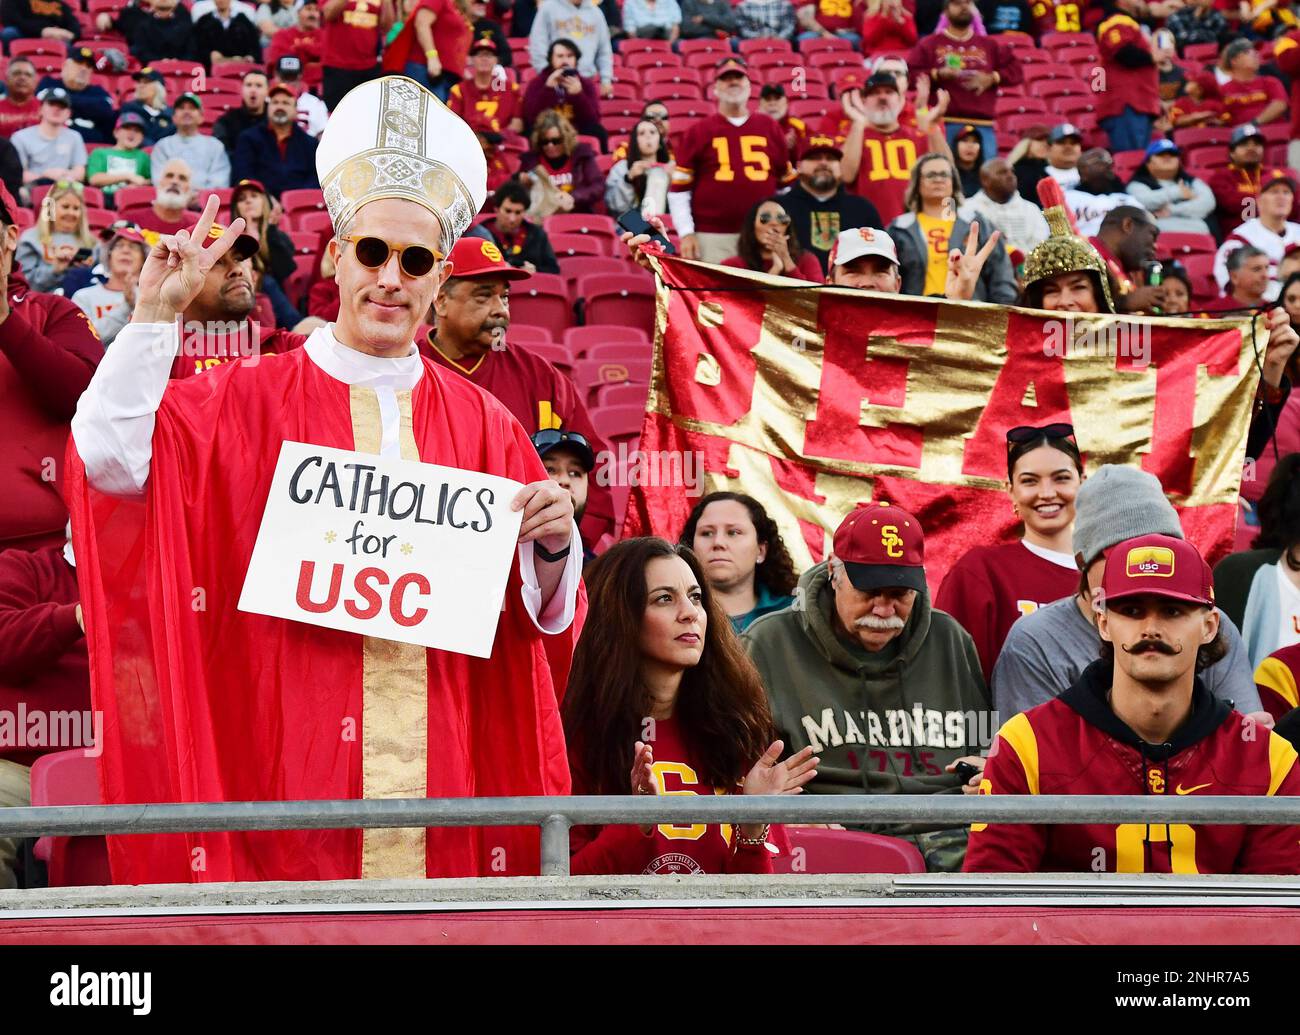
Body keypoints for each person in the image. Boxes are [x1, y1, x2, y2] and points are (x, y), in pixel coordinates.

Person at [69, 75, 583, 885]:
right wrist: (155, 316)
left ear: (438, 278)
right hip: (279, 745)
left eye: (415, 261)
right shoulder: (236, 401)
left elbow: (537, 620)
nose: (390, 277)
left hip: (440, 758)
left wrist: (553, 549)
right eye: (373, 251)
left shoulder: (490, 427)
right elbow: (107, 457)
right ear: (338, 255)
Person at [968, 533, 1300, 875]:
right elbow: (993, 908)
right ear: (1104, 623)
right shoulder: (1027, 745)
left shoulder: (1270, 760)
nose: (1151, 628)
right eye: (1131, 610)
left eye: (1172, 610)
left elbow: (1278, 916)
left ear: (1210, 626)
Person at [742, 502, 990, 872]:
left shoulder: (949, 638)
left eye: (900, 593)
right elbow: (739, 771)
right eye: (869, 590)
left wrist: (988, 771)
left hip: (953, 834)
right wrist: (785, 815)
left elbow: (988, 750)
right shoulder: (769, 643)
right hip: (836, 837)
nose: (884, 609)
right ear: (833, 572)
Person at [564, 537, 814, 875]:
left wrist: (752, 826)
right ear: (620, 616)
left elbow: (750, 907)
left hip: (719, 928)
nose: (690, 613)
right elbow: (561, 893)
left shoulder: (735, 728)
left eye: (696, 597)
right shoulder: (577, 737)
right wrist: (635, 823)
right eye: (664, 599)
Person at [992, 465, 1266, 721]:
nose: (1142, 574)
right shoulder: (1035, 641)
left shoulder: (1208, 625)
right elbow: (1035, 760)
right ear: (1081, 561)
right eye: (1121, 558)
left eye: (1157, 557)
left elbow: (1245, 738)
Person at [937, 424, 1083, 684]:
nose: (1047, 493)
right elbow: (951, 682)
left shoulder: (1109, 573)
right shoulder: (980, 571)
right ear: (1011, 490)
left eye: (1061, 478)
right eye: (1029, 481)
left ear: (1082, 483)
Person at [668, 57, 789, 264]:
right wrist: (686, 233)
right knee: (717, 295)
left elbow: (786, 186)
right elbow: (679, 191)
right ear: (715, 88)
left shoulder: (769, 127)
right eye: (726, 78)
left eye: (739, 78)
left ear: (749, 86)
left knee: (765, 295)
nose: (733, 82)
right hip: (714, 236)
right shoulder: (698, 131)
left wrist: (782, 226)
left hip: (764, 234)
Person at [889, 152, 1016, 302]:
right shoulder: (899, 228)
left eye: (944, 174)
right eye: (930, 175)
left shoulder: (976, 223)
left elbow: (1001, 273)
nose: (938, 179)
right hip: (917, 315)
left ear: (953, 182)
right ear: (917, 183)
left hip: (969, 314)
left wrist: (1001, 313)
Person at [835, 71, 950, 228]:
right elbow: (846, 175)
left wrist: (932, 126)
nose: (882, 97)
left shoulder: (917, 135)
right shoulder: (854, 135)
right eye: (875, 93)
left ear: (901, 100)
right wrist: (858, 123)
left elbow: (948, 171)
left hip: (914, 229)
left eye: (889, 92)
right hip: (868, 229)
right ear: (864, 101)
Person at [908, 0, 1020, 159]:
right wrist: (937, 74)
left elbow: (1016, 70)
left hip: (983, 125)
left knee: (985, 179)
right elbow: (909, 75)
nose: (963, 7)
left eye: (967, 2)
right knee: (945, 175)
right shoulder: (929, 44)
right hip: (944, 124)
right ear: (946, 11)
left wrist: (992, 77)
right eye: (957, 3)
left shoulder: (989, 45)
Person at [679, 492, 797, 633]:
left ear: (760, 551)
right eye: (707, 533)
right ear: (691, 547)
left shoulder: (796, 613)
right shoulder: (678, 616)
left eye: (733, 532)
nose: (718, 542)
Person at [778, 134, 881, 275]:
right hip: (790, 292)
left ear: (840, 167)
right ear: (799, 166)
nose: (823, 163)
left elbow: (881, 260)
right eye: (815, 158)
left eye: (831, 158)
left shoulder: (863, 209)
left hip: (850, 293)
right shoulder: (777, 209)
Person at [1214, 171, 1300, 303]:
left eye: (1286, 192)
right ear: (1258, 200)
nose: (1281, 197)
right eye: (1274, 192)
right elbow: (1229, 284)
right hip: (1257, 310)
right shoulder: (1240, 238)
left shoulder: (1297, 231)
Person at [231, 81, 320, 196]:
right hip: (262, 204)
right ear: (268, 108)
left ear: (295, 111)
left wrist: (293, 199)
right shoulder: (248, 138)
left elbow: (315, 178)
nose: (279, 107)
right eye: (275, 102)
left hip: (298, 204)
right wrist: (267, 200)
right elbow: (243, 175)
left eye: (285, 103)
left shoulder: (310, 143)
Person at [71, 225, 148, 345]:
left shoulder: (152, 299)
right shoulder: (83, 297)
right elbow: (86, 340)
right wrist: (126, 307)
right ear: (108, 256)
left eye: (133, 247)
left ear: (144, 259)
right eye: (119, 246)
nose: (126, 251)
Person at [381, 0, 472, 102]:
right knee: (426, 114)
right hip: (426, 71)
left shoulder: (456, 5)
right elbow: (422, 24)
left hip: (445, 76)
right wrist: (432, 57)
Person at [1094, 12, 1160, 153]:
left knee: (1138, 158)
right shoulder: (1117, 21)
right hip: (1127, 103)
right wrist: (1153, 56)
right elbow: (1124, 53)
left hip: (1139, 103)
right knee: (1130, 159)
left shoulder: (1131, 23)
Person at [959, 157, 1049, 258]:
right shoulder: (967, 208)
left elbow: (1042, 244)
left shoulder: (1031, 209)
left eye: (1012, 172)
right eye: (1002, 173)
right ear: (985, 180)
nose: (1010, 176)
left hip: (1027, 268)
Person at [16, 181, 96, 294]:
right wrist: (55, 270)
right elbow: (24, 284)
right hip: (41, 304)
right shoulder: (31, 238)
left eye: (76, 208)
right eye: (65, 207)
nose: (71, 213)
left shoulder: (91, 242)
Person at [1125, 139, 1216, 237]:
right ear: (1148, 163)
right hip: (1158, 238)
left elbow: (1208, 202)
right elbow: (1142, 202)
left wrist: (1173, 210)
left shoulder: (1192, 182)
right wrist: (1177, 192)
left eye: (1172, 154)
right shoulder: (1136, 184)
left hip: (1200, 233)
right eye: (1160, 154)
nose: (1167, 157)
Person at [519, 110, 602, 215]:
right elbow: (517, 193)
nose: (550, 146)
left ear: (566, 138)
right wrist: (522, 182)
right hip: (543, 218)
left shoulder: (581, 155)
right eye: (544, 142)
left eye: (556, 141)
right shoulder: (530, 160)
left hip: (578, 213)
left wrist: (573, 197)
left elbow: (598, 186)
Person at [521, 38, 604, 143]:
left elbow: (593, 120)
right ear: (551, 59)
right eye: (560, 56)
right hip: (546, 130)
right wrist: (548, 90)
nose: (565, 61)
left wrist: (578, 96)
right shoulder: (537, 83)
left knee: (598, 131)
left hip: (576, 129)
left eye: (570, 56)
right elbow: (531, 118)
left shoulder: (586, 84)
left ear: (576, 60)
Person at [1211, 124, 1288, 235]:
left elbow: (1293, 203)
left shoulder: (1276, 175)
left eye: (1256, 144)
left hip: (1278, 235)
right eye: (1244, 144)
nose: (1251, 148)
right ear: (1232, 152)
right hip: (1239, 238)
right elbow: (1231, 204)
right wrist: (1274, 202)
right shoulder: (1221, 177)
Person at [723, 198, 825, 282]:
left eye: (781, 218)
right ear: (752, 225)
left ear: (787, 228)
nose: (774, 223)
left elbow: (816, 298)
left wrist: (787, 261)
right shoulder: (733, 266)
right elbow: (743, 304)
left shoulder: (807, 260)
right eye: (765, 217)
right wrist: (775, 270)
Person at [528, 0, 614, 97]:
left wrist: (606, 78)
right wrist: (547, 75)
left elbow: (604, 50)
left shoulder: (596, 13)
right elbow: (538, 45)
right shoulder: (548, 8)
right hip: (554, 80)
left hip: (586, 81)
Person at [12, 89, 86, 196]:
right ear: (40, 109)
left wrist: (64, 175)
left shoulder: (74, 137)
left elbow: (80, 172)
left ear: (69, 113)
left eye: (62, 106)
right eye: (51, 104)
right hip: (32, 188)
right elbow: (17, 175)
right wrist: (45, 175)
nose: (57, 109)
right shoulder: (20, 137)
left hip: (64, 188)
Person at [151, 94, 231, 191]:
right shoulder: (162, 146)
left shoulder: (215, 146)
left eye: (192, 108)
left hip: (204, 204)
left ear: (201, 117)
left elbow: (220, 182)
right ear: (174, 118)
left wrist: (199, 197)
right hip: (171, 201)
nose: (186, 112)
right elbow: (158, 181)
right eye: (181, 108)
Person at [449, 35, 524, 137]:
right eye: (479, 55)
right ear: (471, 60)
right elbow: (453, 124)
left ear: (496, 60)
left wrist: (495, 138)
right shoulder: (459, 90)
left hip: (501, 143)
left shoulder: (512, 89)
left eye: (489, 55)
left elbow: (517, 124)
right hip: (469, 143)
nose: (484, 59)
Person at [321, 0, 390, 111]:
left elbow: (386, 26)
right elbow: (328, 14)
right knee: (336, 113)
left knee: (365, 115)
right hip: (338, 65)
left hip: (369, 66)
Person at [482, 180, 561, 274]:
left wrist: (536, 270)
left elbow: (554, 269)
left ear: (525, 212)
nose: (512, 219)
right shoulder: (481, 233)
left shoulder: (537, 234)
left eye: (518, 212)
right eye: (508, 211)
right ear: (496, 209)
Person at [232, 177, 296, 287]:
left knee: (268, 281)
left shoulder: (278, 236)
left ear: (265, 202)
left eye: (254, 196)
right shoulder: (231, 239)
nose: (248, 201)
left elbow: (285, 270)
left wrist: (271, 231)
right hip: (246, 288)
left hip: (275, 292)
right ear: (237, 208)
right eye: (242, 199)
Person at [604, 117, 672, 220]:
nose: (648, 136)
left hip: (668, 222)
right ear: (635, 141)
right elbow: (614, 205)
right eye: (641, 133)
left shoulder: (671, 167)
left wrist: (674, 182)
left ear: (660, 142)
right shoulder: (622, 167)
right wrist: (628, 178)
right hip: (632, 224)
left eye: (653, 132)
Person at [1065, 148, 1138, 237]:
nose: (1109, 163)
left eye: (1109, 161)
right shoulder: (1069, 197)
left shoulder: (1125, 197)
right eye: (1100, 161)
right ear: (1082, 173)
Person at [1219, 38, 1288, 126]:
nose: (1256, 54)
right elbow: (1221, 117)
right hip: (1239, 138)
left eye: (1256, 51)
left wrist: (1254, 124)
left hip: (1274, 135)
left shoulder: (1270, 82)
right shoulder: (1223, 90)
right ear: (1234, 61)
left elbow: (1280, 105)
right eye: (1248, 52)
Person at [87, 113, 152, 203]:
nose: (132, 133)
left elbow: (151, 180)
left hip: (131, 199)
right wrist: (127, 176)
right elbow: (94, 179)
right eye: (127, 128)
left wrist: (140, 185)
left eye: (137, 130)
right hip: (104, 198)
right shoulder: (100, 152)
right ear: (116, 132)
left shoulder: (143, 156)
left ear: (142, 137)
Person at [268, 0, 324, 92]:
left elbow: (328, 60)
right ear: (298, 12)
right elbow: (277, 62)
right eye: (308, 9)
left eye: (317, 10)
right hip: (287, 85)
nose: (313, 14)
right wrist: (312, 59)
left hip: (319, 87)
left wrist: (300, 49)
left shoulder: (325, 36)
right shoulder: (282, 35)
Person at [191, 0, 263, 71]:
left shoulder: (243, 21)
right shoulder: (204, 21)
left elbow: (254, 48)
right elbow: (196, 47)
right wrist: (209, 56)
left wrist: (249, 57)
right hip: (210, 70)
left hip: (240, 70)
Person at [121, 0, 194, 67]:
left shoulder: (185, 24)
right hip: (152, 68)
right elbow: (141, 51)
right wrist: (160, 60)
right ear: (152, 6)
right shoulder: (144, 25)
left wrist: (178, 61)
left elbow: (191, 49)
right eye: (161, 8)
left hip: (182, 67)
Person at [213, 71, 269, 156]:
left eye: (259, 86)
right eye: (249, 85)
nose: (253, 90)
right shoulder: (226, 121)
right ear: (242, 90)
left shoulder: (276, 122)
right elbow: (221, 154)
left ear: (267, 91)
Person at [117, 69, 175, 147]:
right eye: (139, 82)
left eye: (146, 82)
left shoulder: (170, 114)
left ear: (159, 87)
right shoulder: (129, 109)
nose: (141, 86)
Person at [758, 83, 806, 157]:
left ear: (786, 102)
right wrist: (781, 146)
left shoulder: (799, 126)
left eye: (777, 98)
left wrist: (794, 148)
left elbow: (809, 156)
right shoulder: (752, 126)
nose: (772, 103)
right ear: (760, 103)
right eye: (768, 99)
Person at [0, 59, 41, 138]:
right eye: (16, 73)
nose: (22, 77)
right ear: (6, 79)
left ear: (35, 81)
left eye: (28, 74)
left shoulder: (46, 108)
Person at [797, 0, 864, 46]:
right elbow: (806, 19)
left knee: (855, 39)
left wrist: (848, 30)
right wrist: (825, 34)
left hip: (843, 34)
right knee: (806, 38)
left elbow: (859, 26)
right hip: (817, 32)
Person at [951, 123, 984, 200]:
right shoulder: (950, 174)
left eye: (975, 142)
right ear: (956, 146)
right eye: (965, 141)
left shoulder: (985, 176)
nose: (970, 146)